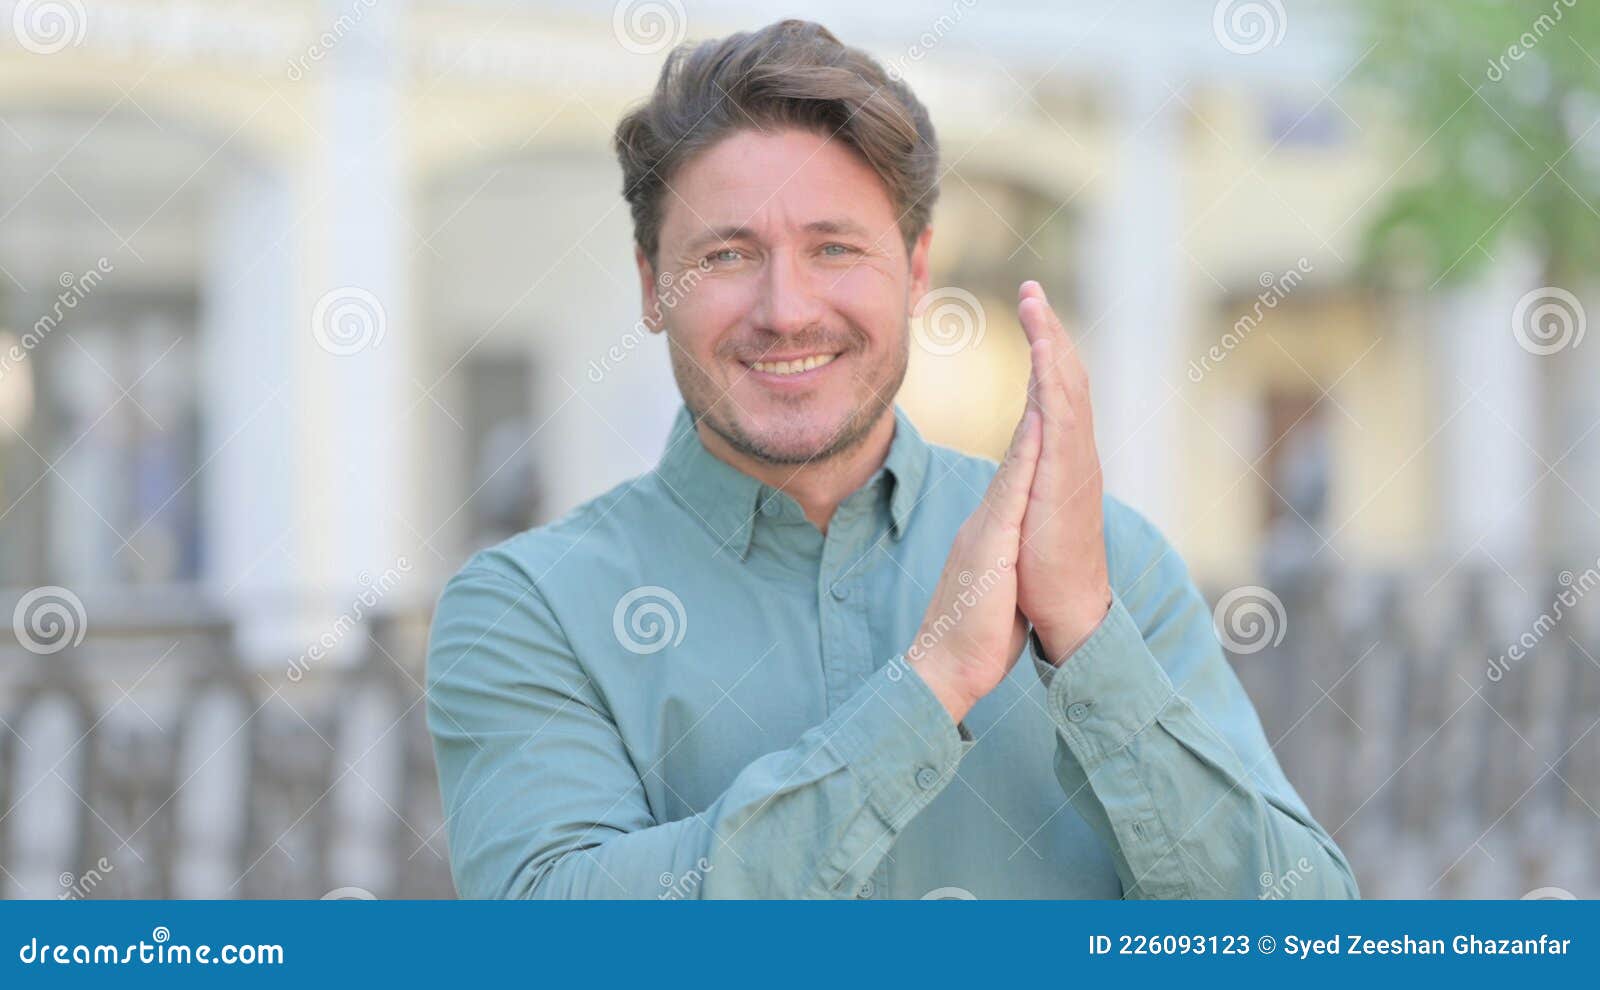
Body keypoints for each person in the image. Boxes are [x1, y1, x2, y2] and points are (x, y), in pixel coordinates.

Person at [425, 18, 1357, 900]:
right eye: (727, 255)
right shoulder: (528, 611)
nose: (786, 309)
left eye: (834, 248)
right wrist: (930, 686)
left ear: (915, 272)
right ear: (651, 286)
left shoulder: (1109, 566)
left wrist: (1085, 637)